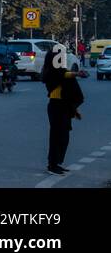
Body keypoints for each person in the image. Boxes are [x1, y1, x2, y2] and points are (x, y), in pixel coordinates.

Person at [42, 45, 84, 174]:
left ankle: (57, 163)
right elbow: (60, 76)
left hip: (63, 106)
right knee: (57, 136)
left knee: (64, 136)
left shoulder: (61, 71)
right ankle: (52, 164)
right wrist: (76, 74)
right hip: (56, 106)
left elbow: (66, 80)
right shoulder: (51, 72)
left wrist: (74, 108)